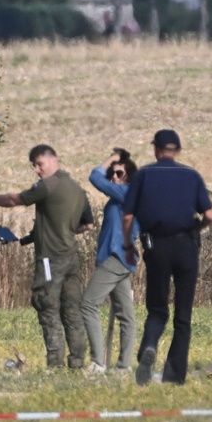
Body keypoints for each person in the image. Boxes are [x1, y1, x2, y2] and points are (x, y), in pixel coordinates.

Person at [0, 144, 94, 369]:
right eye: (34, 166)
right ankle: (78, 361)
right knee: (72, 310)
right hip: (72, 257)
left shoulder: (48, 185)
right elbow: (87, 225)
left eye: (39, 164)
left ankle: (55, 363)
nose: (37, 169)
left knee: (47, 305)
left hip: (50, 259)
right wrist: (60, 231)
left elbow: (15, 200)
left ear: (53, 159)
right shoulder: (77, 188)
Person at [121, 129, 212, 386]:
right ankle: (174, 376)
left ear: (155, 149)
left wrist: (128, 244)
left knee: (158, 308)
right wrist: (195, 229)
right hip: (186, 246)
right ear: (178, 150)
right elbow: (210, 215)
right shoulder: (191, 175)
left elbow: (127, 216)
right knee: (183, 315)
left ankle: (149, 346)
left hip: (156, 246)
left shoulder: (143, 175)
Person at [80, 148, 141, 374]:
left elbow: (95, 177)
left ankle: (97, 363)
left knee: (88, 304)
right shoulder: (123, 196)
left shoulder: (126, 192)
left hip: (116, 258)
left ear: (128, 177)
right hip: (120, 258)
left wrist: (111, 159)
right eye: (113, 174)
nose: (114, 177)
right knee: (126, 315)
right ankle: (123, 367)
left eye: (120, 173)